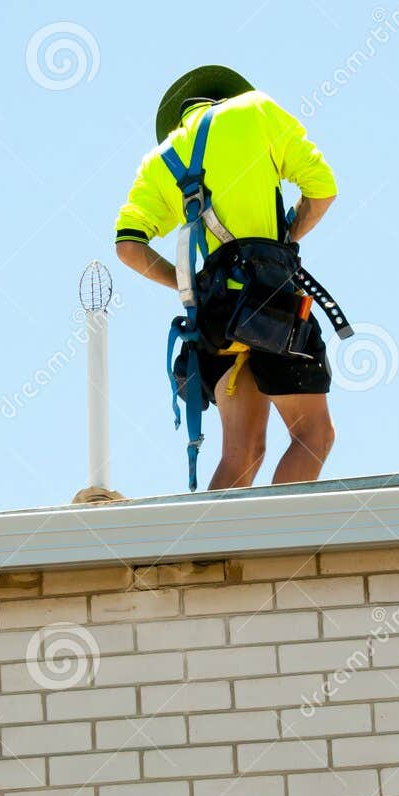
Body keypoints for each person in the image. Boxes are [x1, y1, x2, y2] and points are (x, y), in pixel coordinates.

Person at [114, 65, 339, 490]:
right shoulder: (255, 111)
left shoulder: (160, 160)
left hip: (216, 322)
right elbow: (322, 191)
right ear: (225, 96)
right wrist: (284, 241)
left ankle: (207, 549)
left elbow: (128, 246)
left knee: (242, 453)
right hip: (274, 308)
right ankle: (280, 547)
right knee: (313, 435)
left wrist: (187, 287)